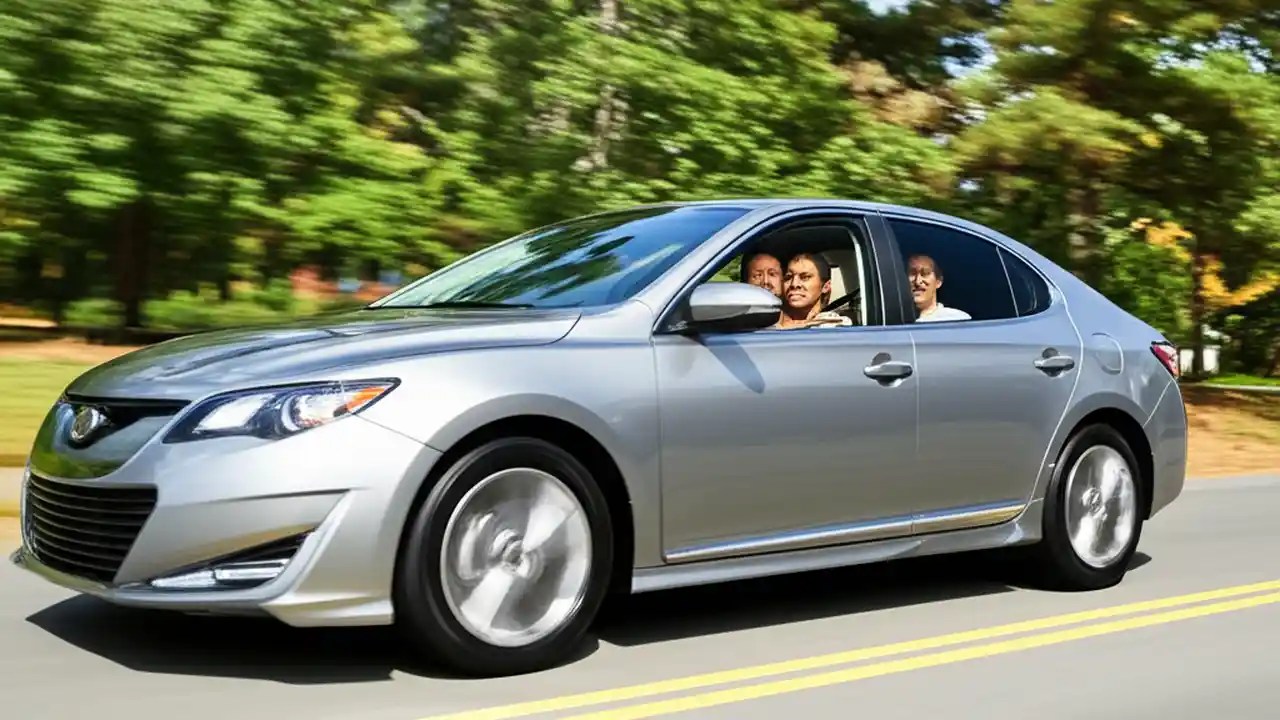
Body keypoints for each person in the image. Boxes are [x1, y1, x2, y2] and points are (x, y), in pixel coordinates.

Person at [773, 253, 852, 329]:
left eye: (805, 277)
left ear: (825, 286)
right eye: (788, 277)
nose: (794, 284)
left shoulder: (834, 326)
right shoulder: (771, 323)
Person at [907, 253, 970, 322]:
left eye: (925, 273)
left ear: (938, 282)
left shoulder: (957, 319)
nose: (918, 281)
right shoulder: (895, 322)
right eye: (912, 274)